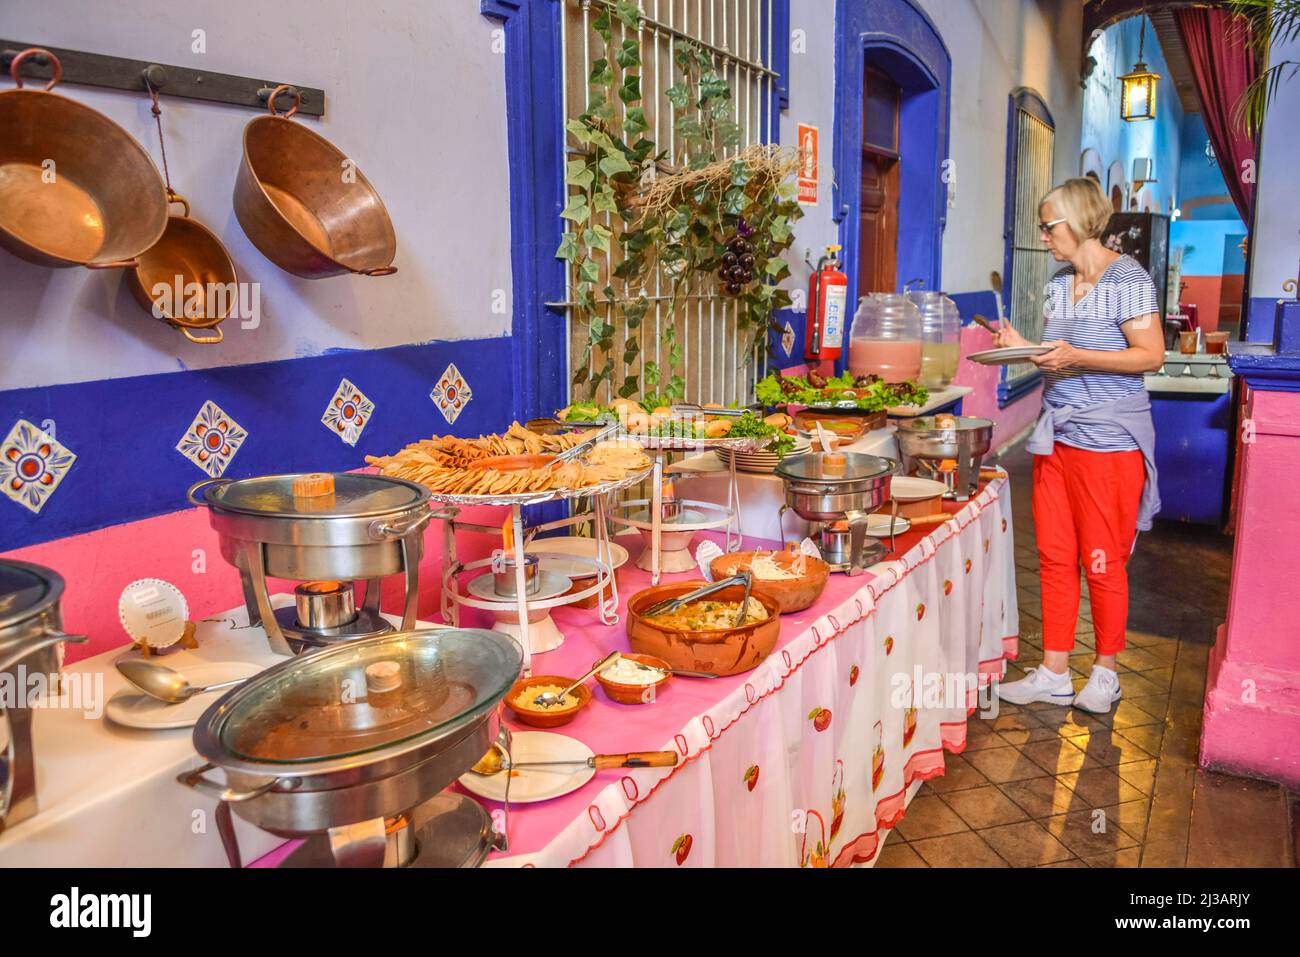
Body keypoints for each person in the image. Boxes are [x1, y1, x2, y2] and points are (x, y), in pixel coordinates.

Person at [993, 178, 1165, 713]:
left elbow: (1150, 356)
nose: (1044, 236)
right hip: (1058, 438)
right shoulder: (1056, 285)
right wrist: (1023, 349)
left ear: (1080, 221)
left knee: (1102, 561)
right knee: (1054, 557)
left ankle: (1107, 673)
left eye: (1049, 225)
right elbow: (1057, 354)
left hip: (1110, 443)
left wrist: (1077, 359)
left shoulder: (1128, 278)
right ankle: (1054, 671)